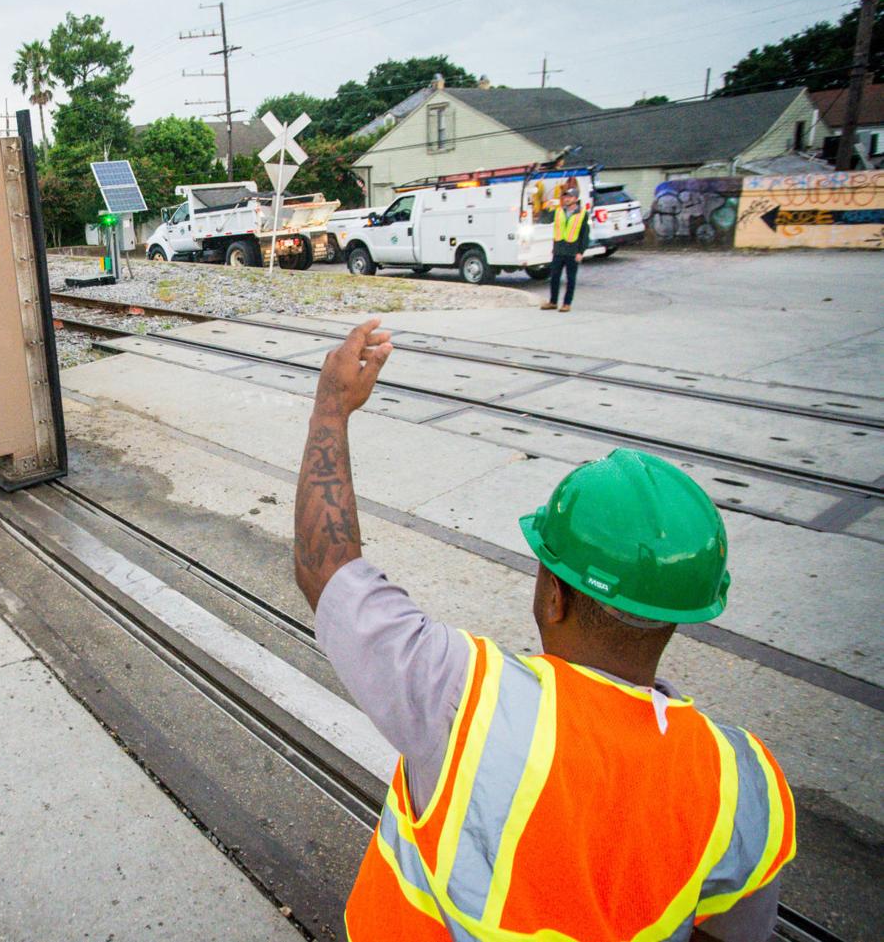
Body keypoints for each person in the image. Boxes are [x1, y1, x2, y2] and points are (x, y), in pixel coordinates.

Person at [294, 318, 795, 942]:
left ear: (554, 596)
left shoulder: (463, 699)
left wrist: (332, 404)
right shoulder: (744, 783)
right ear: (678, 615)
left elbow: (327, 571)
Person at [543, 185, 589, 312]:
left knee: (570, 279)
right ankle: (553, 302)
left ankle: (567, 303)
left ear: (575, 199)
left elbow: (584, 234)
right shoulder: (558, 211)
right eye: (565, 197)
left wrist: (580, 252)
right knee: (554, 277)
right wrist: (546, 209)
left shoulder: (582, 213)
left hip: (572, 251)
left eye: (569, 197)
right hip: (559, 250)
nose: (566, 199)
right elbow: (545, 220)